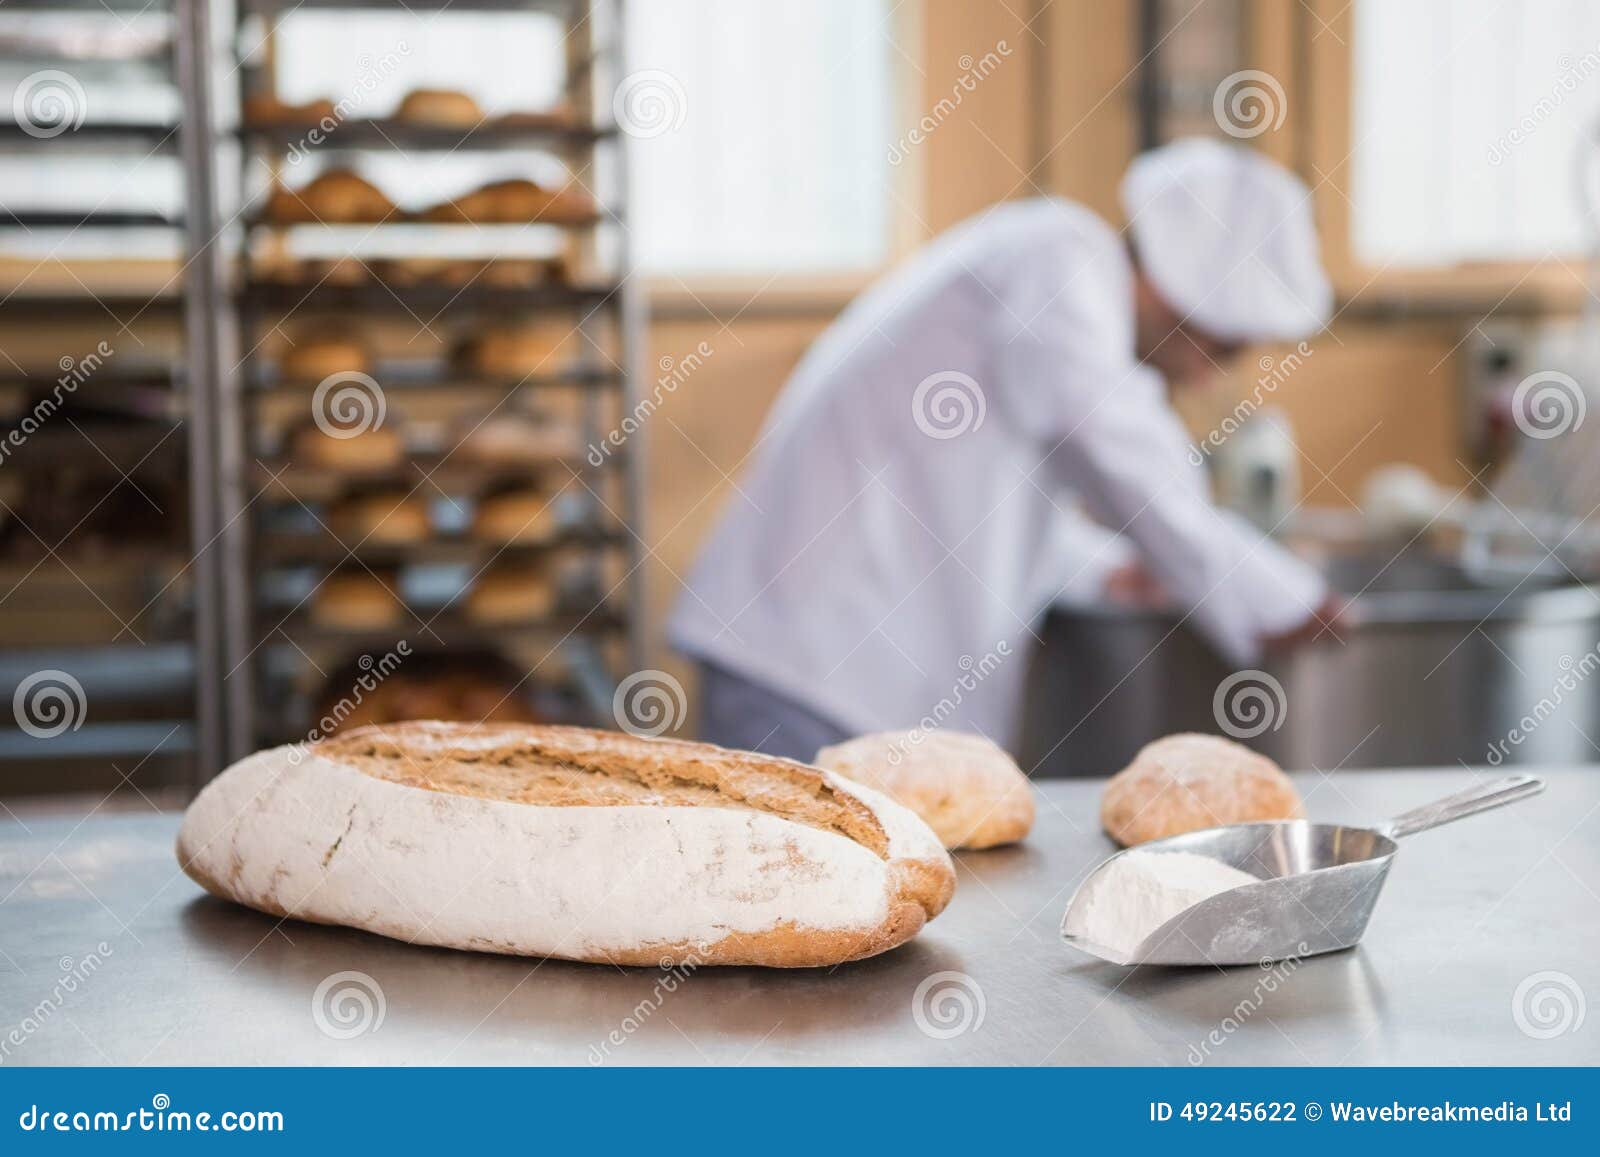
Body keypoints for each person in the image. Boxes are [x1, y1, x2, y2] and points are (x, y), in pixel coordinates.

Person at [669, 138, 1342, 761]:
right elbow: (1112, 437)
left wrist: (1104, 570)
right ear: (1180, 292)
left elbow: (1000, 487)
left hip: (830, 667)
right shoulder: (1059, 257)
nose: (1209, 376)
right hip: (808, 670)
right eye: (1222, 349)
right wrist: (1274, 595)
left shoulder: (1052, 283)